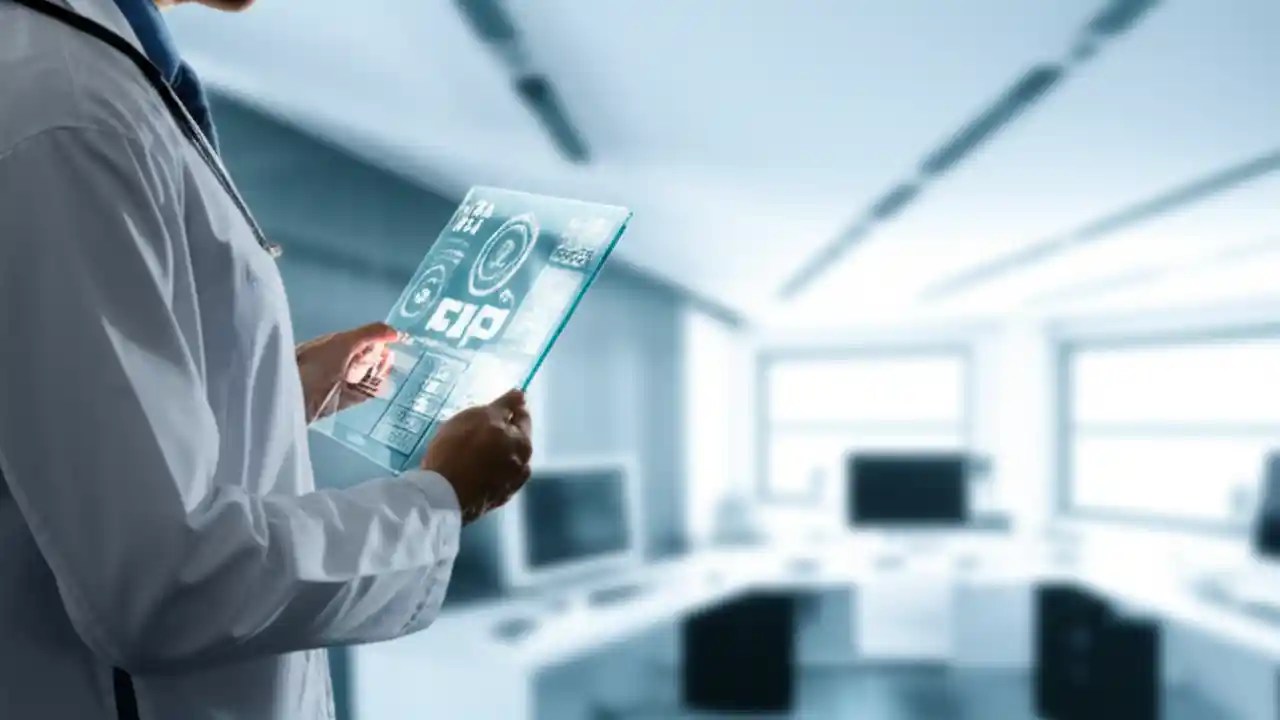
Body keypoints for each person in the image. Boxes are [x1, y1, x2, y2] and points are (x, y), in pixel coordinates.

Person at [0, 0, 534, 717]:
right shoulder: (65, 112)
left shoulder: (101, 80)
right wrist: (439, 499)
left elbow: (79, 414)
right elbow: (165, 586)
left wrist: (278, 388)